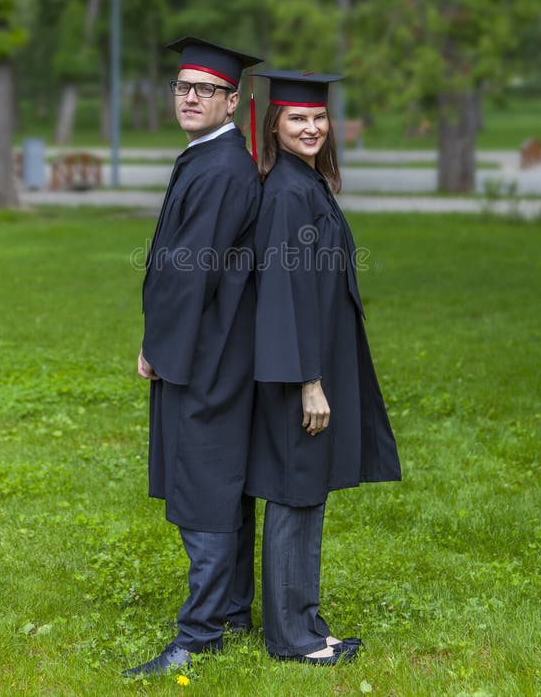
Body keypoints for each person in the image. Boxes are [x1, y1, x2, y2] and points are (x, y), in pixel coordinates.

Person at [245, 70, 402, 666]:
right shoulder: (287, 193)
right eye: (296, 119)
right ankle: (292, 639)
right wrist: (309, 383)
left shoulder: (304, 183)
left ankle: (305, 622)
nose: (310, 127)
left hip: (313, 362)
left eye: (318, 118)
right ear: (274, 125)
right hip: (297, 373)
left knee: (306, 495)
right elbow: (283, 291)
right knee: (293, 496)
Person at [123, 37, 262, 678]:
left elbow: (190, 271)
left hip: (205, 352)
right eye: (183, 87)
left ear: (233, 99)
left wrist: (160, 347)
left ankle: (201, 631)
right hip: (215, 346)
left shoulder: (221, 167)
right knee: (221, 480)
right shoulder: (214, 159)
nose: (190, 97)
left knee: (204, 479)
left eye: (205, 89)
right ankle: (231, 611)